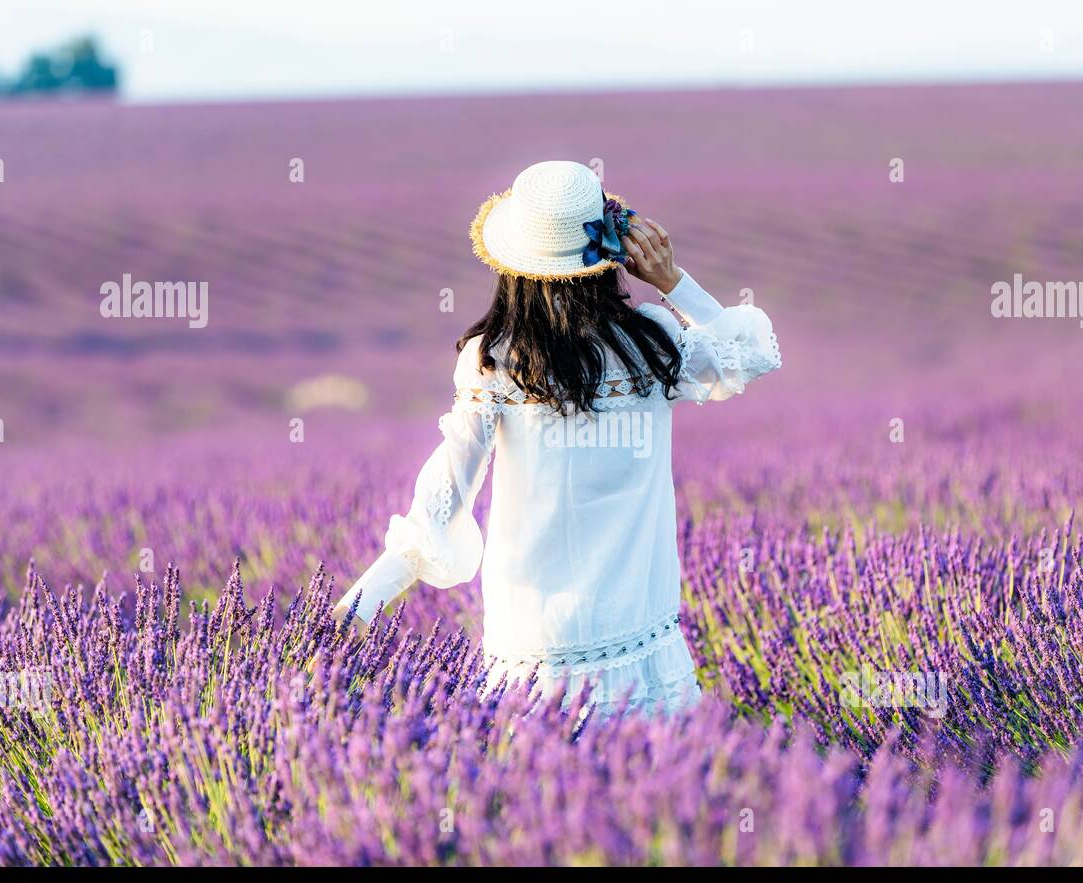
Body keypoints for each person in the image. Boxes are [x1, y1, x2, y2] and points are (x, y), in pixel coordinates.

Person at [334, 160, 780, 716]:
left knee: (539, 793)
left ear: (513, 268)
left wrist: (352, 612)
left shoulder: (494, 362)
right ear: (612, 255)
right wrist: (673, 282)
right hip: (636, 626)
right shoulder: (655, 347)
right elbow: (752, 353)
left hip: (534, 637)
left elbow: (443, 500)